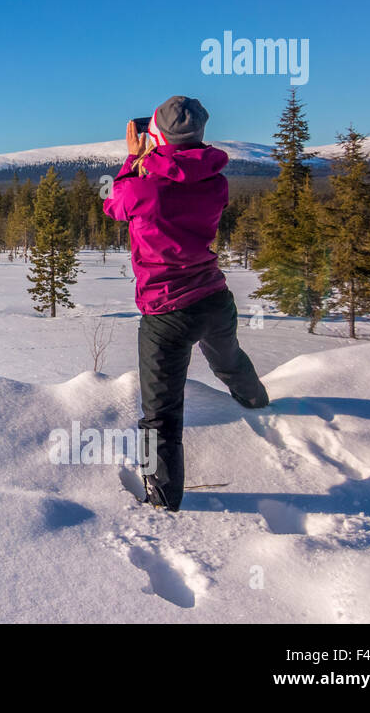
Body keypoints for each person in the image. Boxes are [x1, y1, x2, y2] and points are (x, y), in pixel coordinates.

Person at [102, 95, 269, 512]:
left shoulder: (145, 185)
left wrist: (133, 159)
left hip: (166, 312)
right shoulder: (217, 181)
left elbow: (114, 205)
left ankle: (161, 500)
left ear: (156, 132)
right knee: (229, 360)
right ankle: (257, 402)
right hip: (214, 297)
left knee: (160, 415)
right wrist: (155, 159)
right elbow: (181, 177)